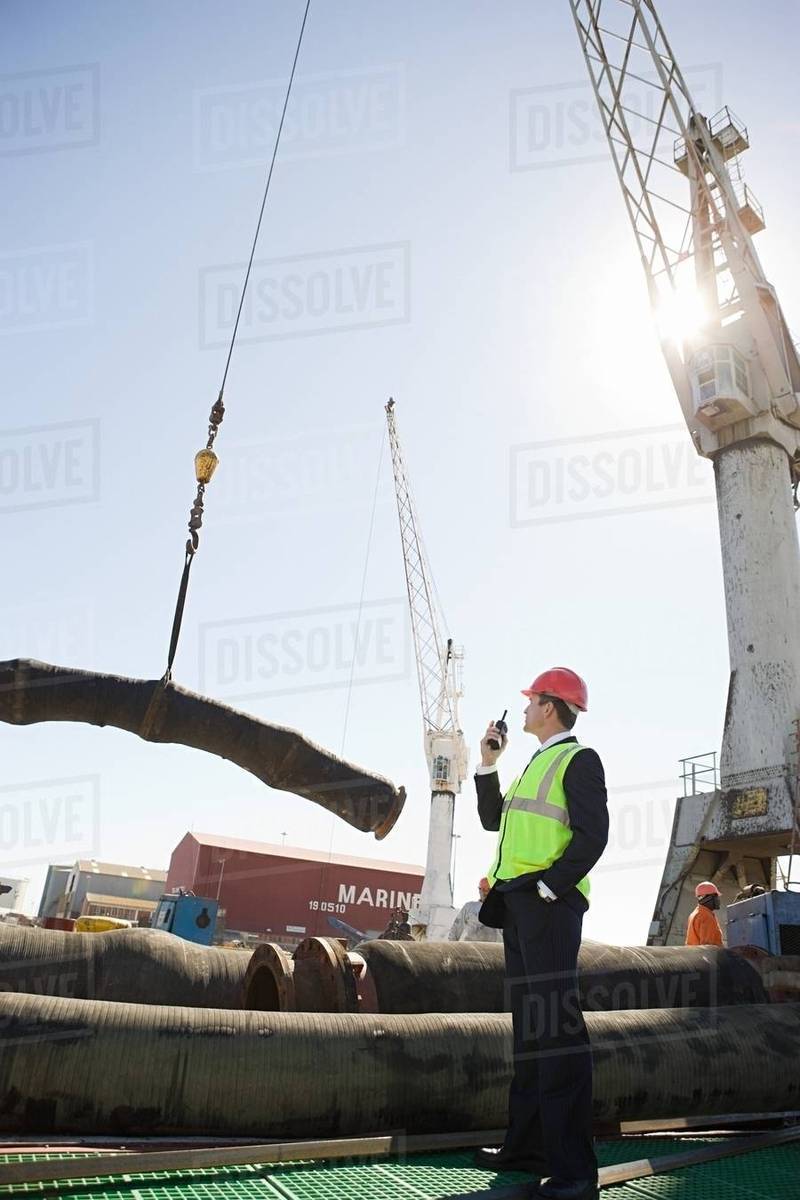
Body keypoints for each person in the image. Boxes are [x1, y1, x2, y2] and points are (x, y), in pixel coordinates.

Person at [473, 668, 609, 1200]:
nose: (523, 709)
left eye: (530, 701)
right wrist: (488, 764)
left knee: (558, 1033)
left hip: (546, 906)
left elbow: (593, 835)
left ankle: (575, 1174)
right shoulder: (534, 763)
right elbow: (493, 821)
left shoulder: (579, 760)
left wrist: (551, 890)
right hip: (517, 906)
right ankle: (525, 1147)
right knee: (531, 1031)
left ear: (551, 706)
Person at [447, 878, 503, 943]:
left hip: (493, 951)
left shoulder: (501, 910)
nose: (486, 893)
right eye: (483, 889)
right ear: (479, 890)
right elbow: (455, 930)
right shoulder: (469, 907)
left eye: (489, 890)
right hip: (469, 950)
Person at [686, 882, 724, 946]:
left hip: (694, 954)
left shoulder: (695, 913)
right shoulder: (706, 916)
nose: (718, 900)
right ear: (708, 898)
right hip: (702, 955)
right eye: (716, 897)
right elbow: (708, 947)